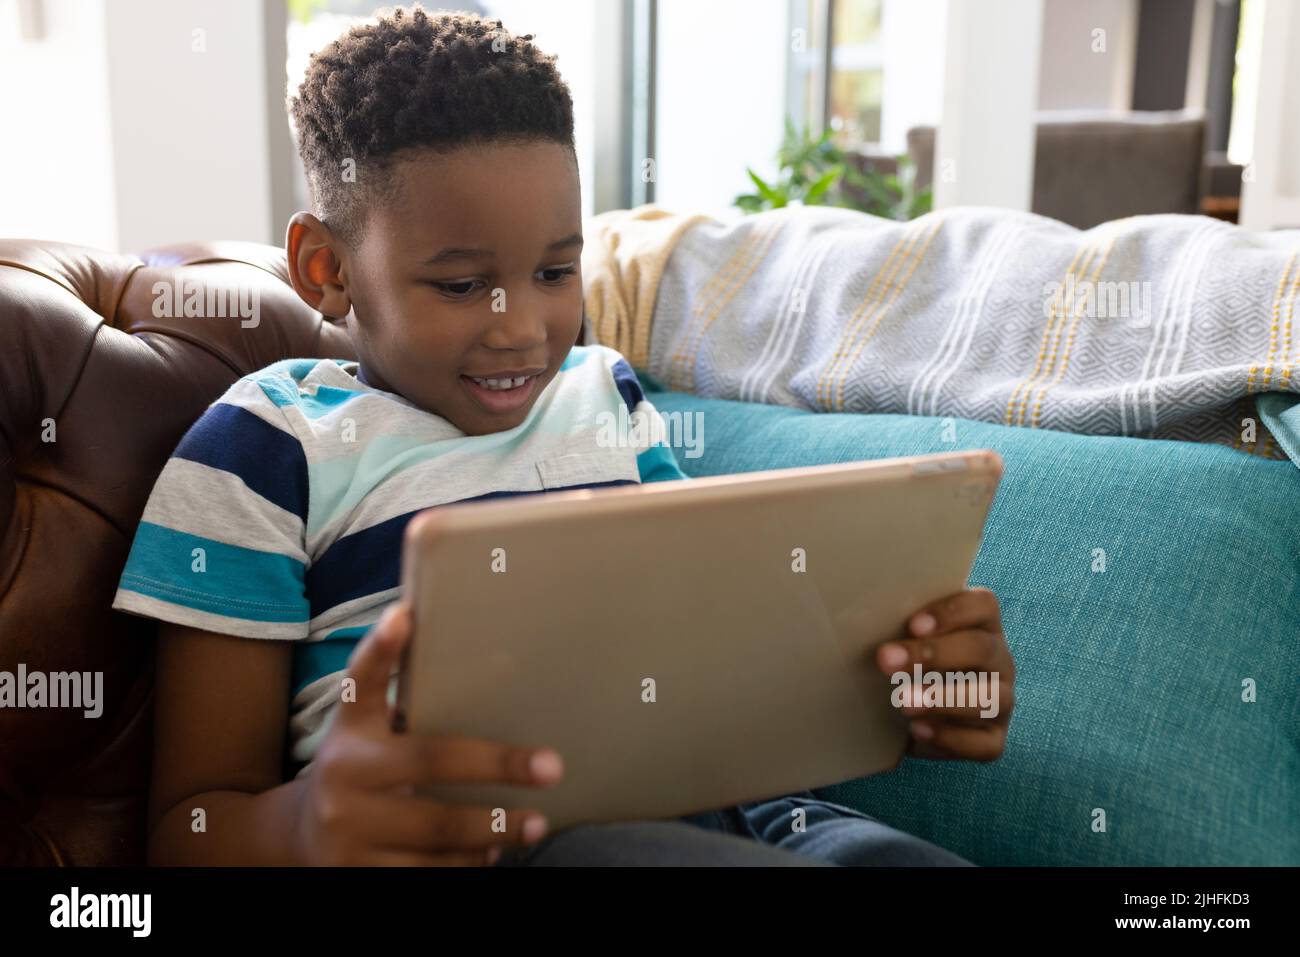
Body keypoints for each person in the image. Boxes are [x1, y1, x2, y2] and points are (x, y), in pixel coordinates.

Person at [113, 6, 1015, 866]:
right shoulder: (265, 445)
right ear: (328, 268)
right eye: (462, 285)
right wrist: (310, 828)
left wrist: (901, 681)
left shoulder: (604, 392)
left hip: (752, 808)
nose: (523, 327)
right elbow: (190, 824)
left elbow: (720, 638)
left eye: (554, 270)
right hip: (502, 841)